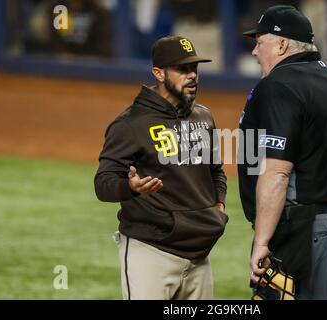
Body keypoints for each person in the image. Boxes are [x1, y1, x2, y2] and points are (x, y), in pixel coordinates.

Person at [94, 35, 228, 300]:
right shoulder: (131, 124)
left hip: (199, 254)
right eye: (183, 69)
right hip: (151, 252)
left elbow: (216, 171)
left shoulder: (203, 116)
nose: (192, 76)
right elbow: (103, 184)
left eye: (195, 69)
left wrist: (218, 207)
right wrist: (129, 187)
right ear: (158, 73)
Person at [238, 5, 327, 300]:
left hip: (304, 233)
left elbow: (277, 171)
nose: (254, 52)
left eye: (259, 42)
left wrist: (262, 240)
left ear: (281, 45)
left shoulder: (280, 85)